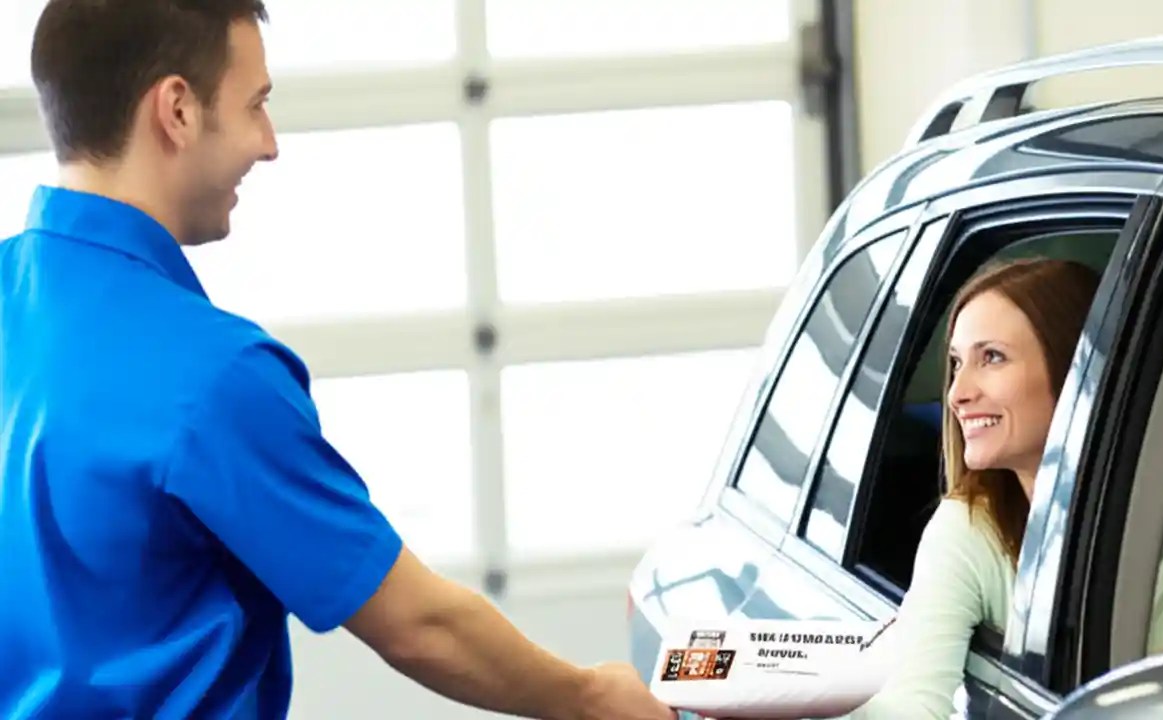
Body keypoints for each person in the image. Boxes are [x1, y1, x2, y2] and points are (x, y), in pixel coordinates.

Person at [0, 3, 675, 720]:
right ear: (178, 110)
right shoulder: (208, 379)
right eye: (256, 105)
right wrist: (589, 697)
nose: (269, 144)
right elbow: (419, 626)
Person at [840, 257, 1163, 718]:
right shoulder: (970, 529)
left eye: (992, 357)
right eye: (956, 362)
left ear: (1074, 371)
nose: (956, 393)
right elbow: (911, 706)